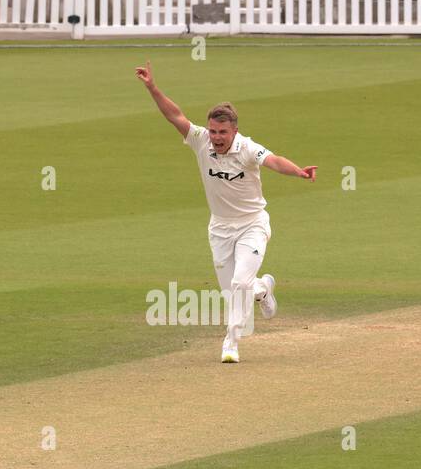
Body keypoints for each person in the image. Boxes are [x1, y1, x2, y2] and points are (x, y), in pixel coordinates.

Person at [135, 60, 316, 363]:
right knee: (235, 291)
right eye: (213, 131)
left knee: (237, 284)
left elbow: (273, 160)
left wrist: (298, 172)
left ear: (234, 131)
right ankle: (264, 289)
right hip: (219, 228)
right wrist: (152, 87)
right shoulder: (201, 141)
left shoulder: (246, 148)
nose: (216, 137)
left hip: (252, 225)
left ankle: (230, 341)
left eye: (222, 132)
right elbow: (174, 116)